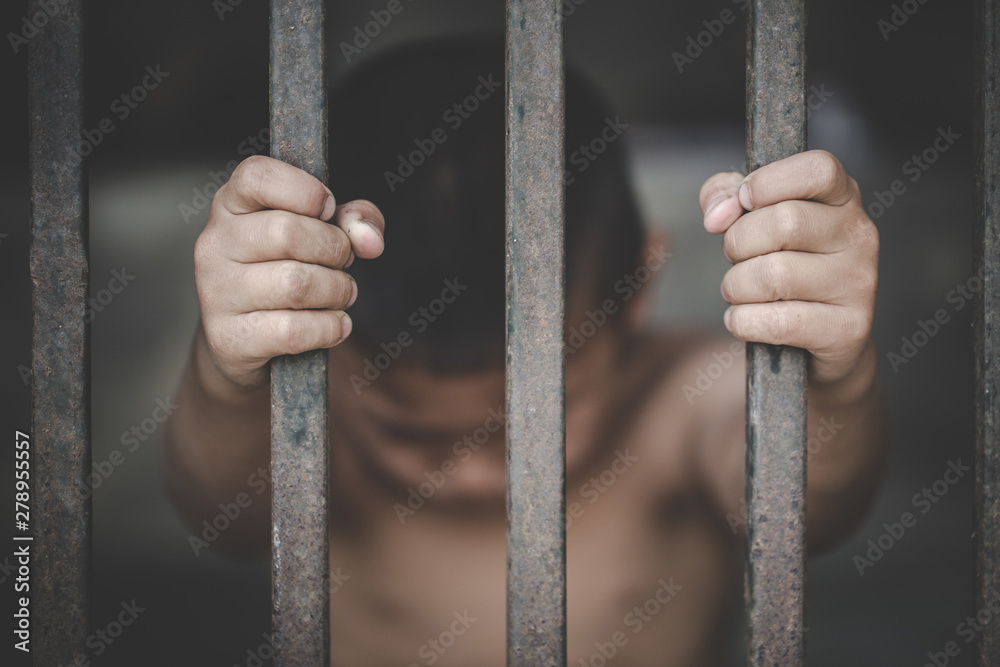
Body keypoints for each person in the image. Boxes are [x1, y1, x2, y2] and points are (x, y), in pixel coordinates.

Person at [163, 39, 886, 666]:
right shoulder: (317, 420)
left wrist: (839, 377)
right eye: (408, 431)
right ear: (315, 326)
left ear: (637, 287)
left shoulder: (682, 402)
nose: (476, 469)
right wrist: (227, 375)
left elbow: (816, 508)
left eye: (537, 415)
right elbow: (220, 515)